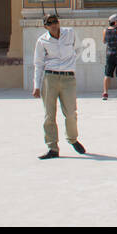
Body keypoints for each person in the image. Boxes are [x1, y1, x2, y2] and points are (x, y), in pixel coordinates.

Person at [32, 13, 86, 159]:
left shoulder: (70, 33)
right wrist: (36, 85)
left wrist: (71, 62)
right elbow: (38, 63)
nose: (54, 25)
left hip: (68, 77)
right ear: (45, 26)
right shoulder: (42, 41)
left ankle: (72, 139)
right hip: (50, 77)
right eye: (50, 23)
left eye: (55, 22)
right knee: (49, 114)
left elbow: (79, 48)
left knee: (70, 113)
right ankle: (52, 147)